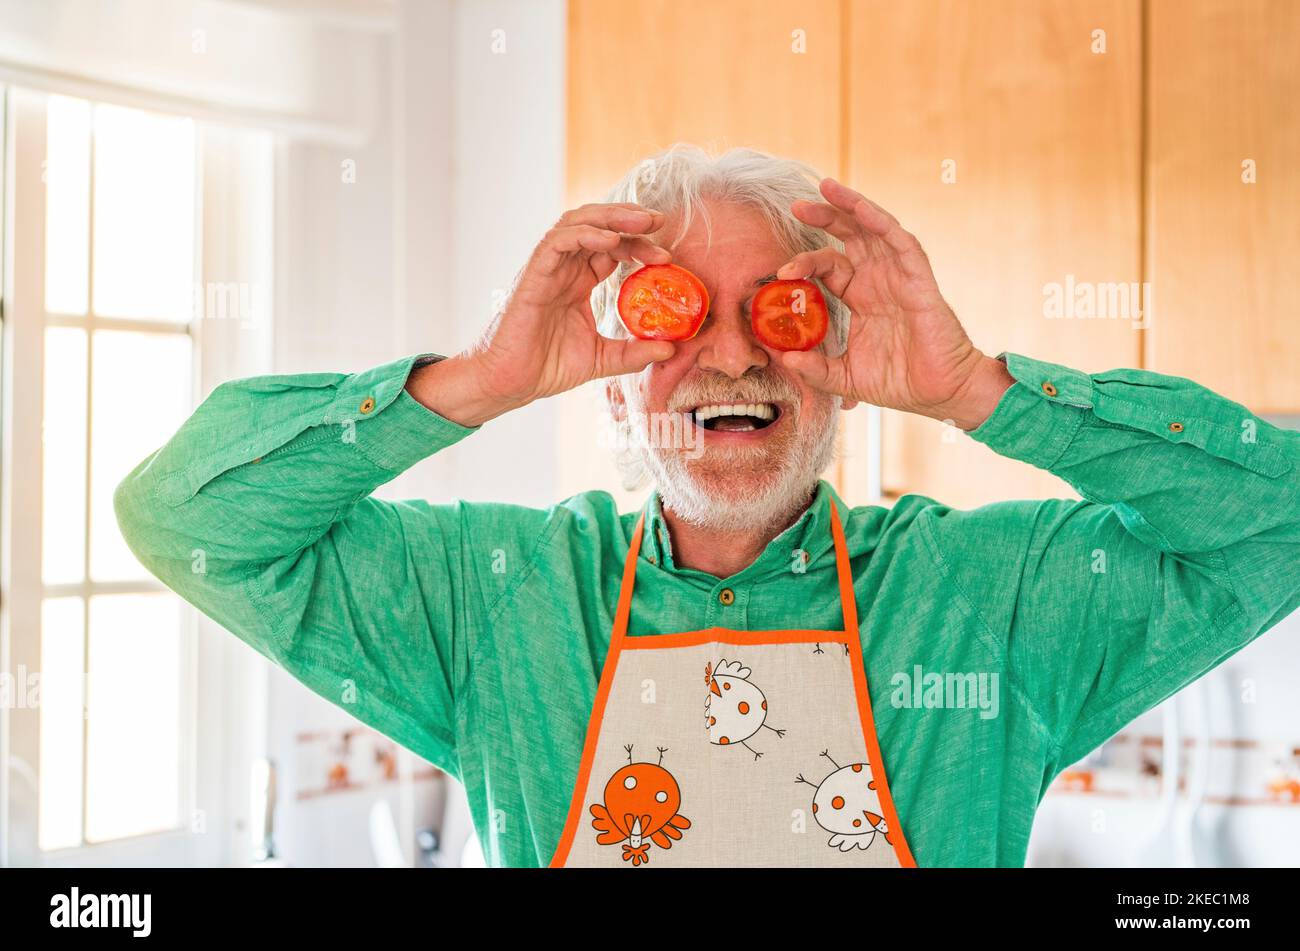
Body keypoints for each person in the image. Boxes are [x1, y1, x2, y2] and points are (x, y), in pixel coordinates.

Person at [116, 145, 1300, 867]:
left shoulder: (986, 598)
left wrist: (979, 390)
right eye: (678, 316)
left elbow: (1278, 519)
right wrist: (471, 382)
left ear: (837, 345)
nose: (732, 359)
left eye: (782, 309)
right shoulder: (496, 604)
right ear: (622, 364)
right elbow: (188, 519)